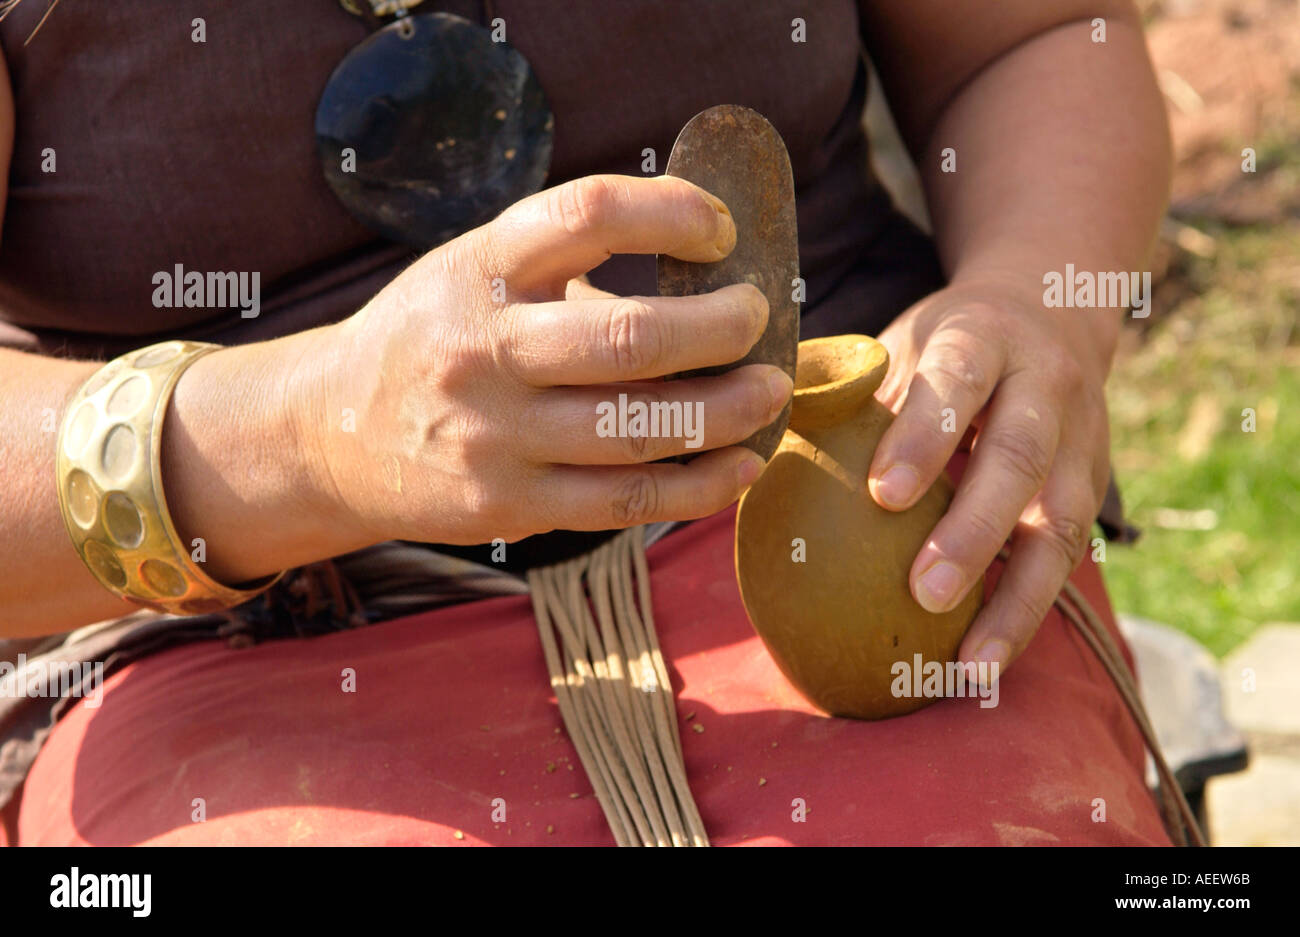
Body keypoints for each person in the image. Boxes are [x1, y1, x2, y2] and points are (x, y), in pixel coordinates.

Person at [0, 0, 1174, 845]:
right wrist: (305, 439)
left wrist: (1034, 297)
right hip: (222, 622)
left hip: (865, 504)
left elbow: (1028, 36)